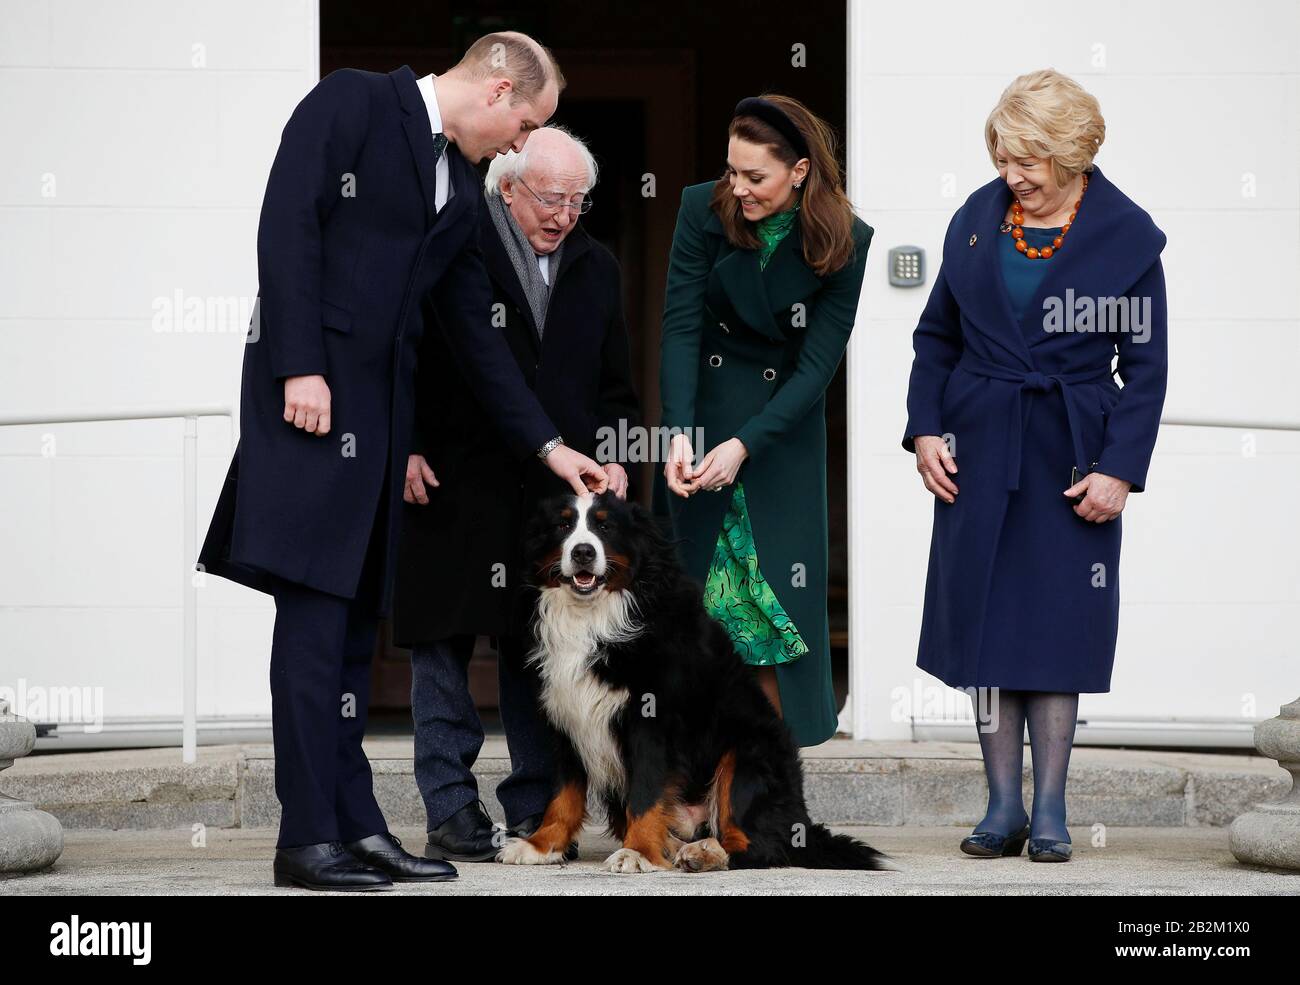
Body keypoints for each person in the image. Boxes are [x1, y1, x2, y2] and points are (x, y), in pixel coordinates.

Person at [197, 32, 608, 891]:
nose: (522, 144)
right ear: (498, 89)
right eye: (527, 123)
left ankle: (355, 826)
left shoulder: (458, 183)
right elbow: (287, 222)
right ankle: (306, 838)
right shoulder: (351, 100)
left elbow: (474, 329)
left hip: (377, 429)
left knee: (351, 635)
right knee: (313, 629)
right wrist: (299, 365)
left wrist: (550, 443)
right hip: (307, 409)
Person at [902, 69, 1168, 862]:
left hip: (1068, 450)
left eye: (1029, 160)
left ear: (1075, 155)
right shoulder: (977, 220)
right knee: (987, 625)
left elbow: (1145, 368)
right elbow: (936, 338)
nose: (1011, 175)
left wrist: (1120, 467)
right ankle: (1003, 805)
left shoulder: (1126, 236)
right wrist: (924, 430)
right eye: (1003, 154)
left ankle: (1051, 808)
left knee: (1056, 626)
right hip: (979, 444)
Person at [393, 126, 640, 862]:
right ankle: (449, 809)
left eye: (577, 200)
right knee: (439, 644)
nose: (564, 214)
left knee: (536, 651)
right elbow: (407, 343)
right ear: (507, 187)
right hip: (450, 474)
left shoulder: (595, 267)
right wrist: (402, 442)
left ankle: (537, 811)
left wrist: (620, 456)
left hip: (551, 500)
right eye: (549, 197)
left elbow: (616, 387)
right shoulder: (459, 239)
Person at [654, 94, 872, 747]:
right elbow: (682, 325)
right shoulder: (702, 208)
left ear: (800, 171)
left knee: (774, 616)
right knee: (704, 619)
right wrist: (680, 430)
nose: (738, 188)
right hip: (703, 432)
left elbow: (816, 368)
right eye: (732, 171)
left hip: (780, 443)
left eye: (755, 177)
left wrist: (746, 444)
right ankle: (692, 800)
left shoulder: (847, 241)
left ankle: (762, 799)